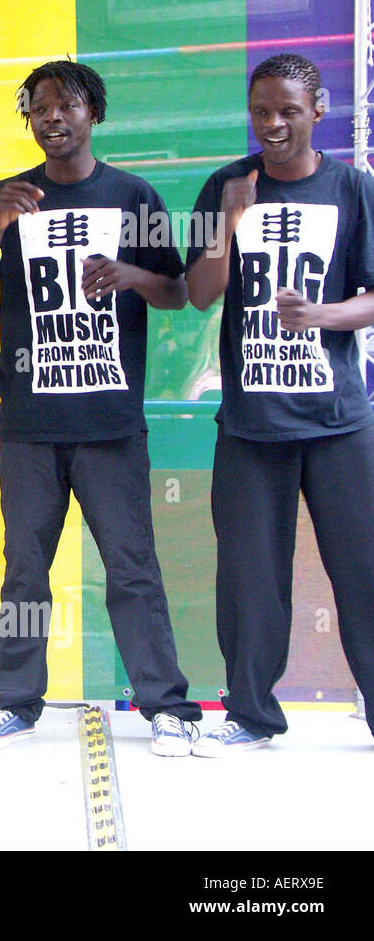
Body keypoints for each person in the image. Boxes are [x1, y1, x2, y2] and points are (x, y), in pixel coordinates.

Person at [0, 60, 202, 754]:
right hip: (30, 423)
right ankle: (12, 701)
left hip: (108, 423)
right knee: (25, 568)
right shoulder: (7, 196)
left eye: (67, 106)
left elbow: (178, 292)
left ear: (94, 112)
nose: (52, 118)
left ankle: (165, 705)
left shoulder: (131, 194)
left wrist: (130, 275)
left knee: (130, 565)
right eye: (38, 108)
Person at [185, 53, 374, 755]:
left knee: (363, 570)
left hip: (337, 422)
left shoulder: (352, 188)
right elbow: (199, 293)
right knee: (249, 579)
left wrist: (321, 317)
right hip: (252, 423)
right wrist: (227, 225)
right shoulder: (228, 186)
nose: (272, 124)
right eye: (261, 110)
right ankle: (251, 714)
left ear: (318, 110)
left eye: (288, 110)